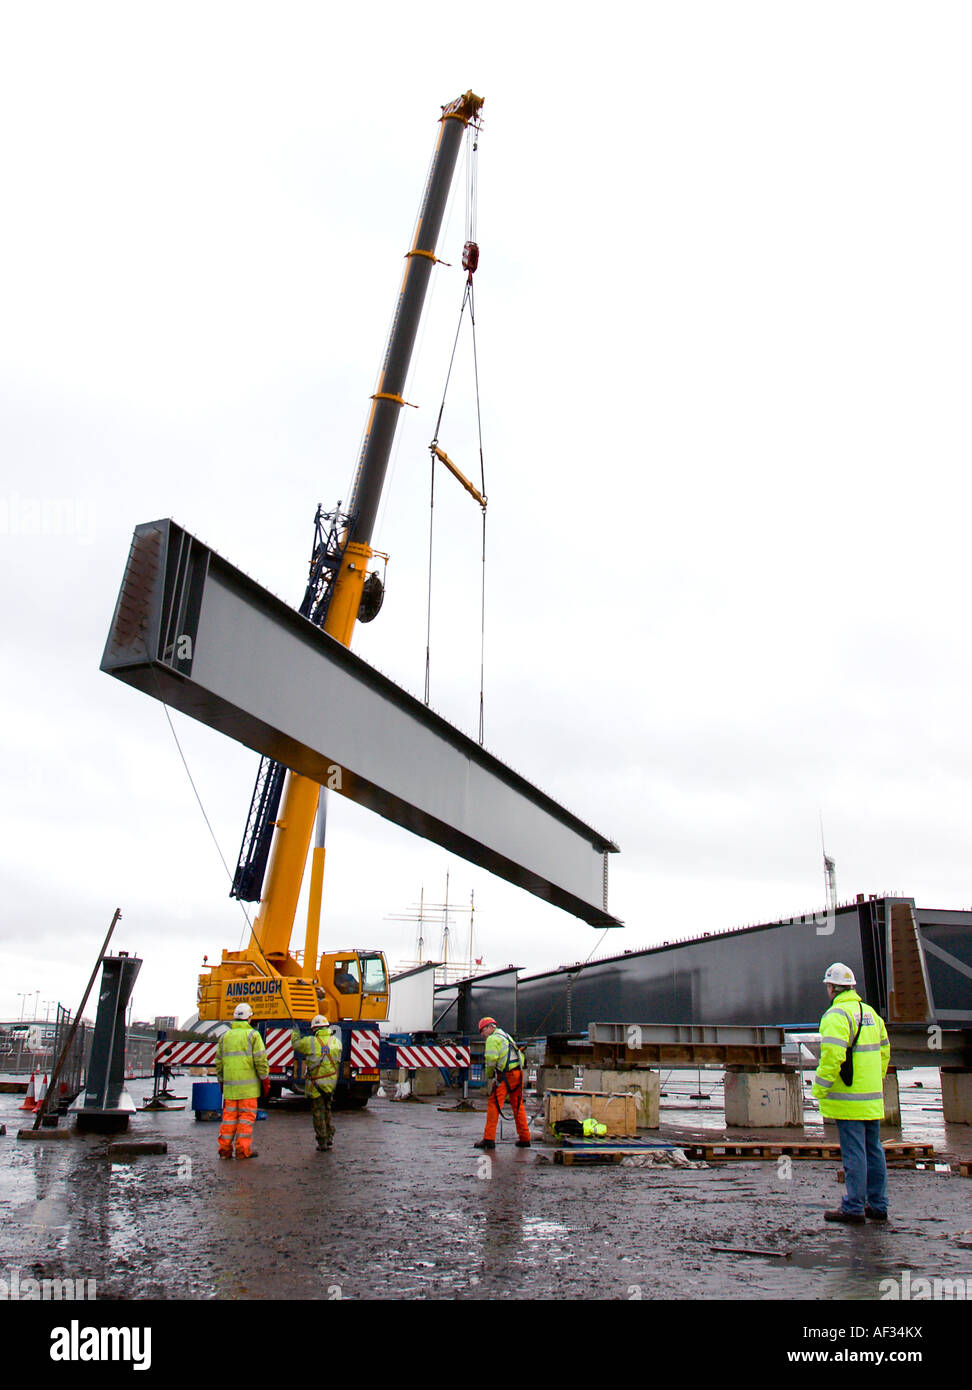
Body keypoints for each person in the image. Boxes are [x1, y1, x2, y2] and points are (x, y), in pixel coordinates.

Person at [811, 962, 891, 1224]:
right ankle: (878, 1205)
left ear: (832, 987)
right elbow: (884, 1051)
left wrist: (819, 1087)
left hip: (849, 1100)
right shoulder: (870, 1014)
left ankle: (854, 1207)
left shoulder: (836, 1015)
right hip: (871, 1098)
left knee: (854, 1153)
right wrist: (874, 1081)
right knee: (874, 1150)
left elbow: (832, 1055)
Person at [215, 1002, 269, 1160]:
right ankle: (242, 1151)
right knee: (245, 1120)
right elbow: (261, 1060)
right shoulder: (253, 1035)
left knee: (228, 1120)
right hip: (249, 1090)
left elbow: (219, 1062)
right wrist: (265, 1079)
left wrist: (221, 1081)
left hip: (231, 1089)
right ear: (249, 1018)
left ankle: (224, 1150)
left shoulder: (225, 1037)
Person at [474, 1016, 531, 1150]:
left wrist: (489, 1074)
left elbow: (491, 1059)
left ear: (489, 1028)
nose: (482, 1035)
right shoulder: (505, 1035)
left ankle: (489, 1139)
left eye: (482, 1031)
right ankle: (525, 1138)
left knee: (494, 1104)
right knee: (518, 1106)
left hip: (505, 1076)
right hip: (518, 1074)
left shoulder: (492, 1039)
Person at [291, 1014, 343, 1151]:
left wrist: (295, 1032)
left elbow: (296, 1045)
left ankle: (322, 1141)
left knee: (318, 1113)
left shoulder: (310, 1042)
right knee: (327, 1109)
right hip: (330, 1084)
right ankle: (329, 1136)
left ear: (314, 1029)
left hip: (316, 1085)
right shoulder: (336, 1042)